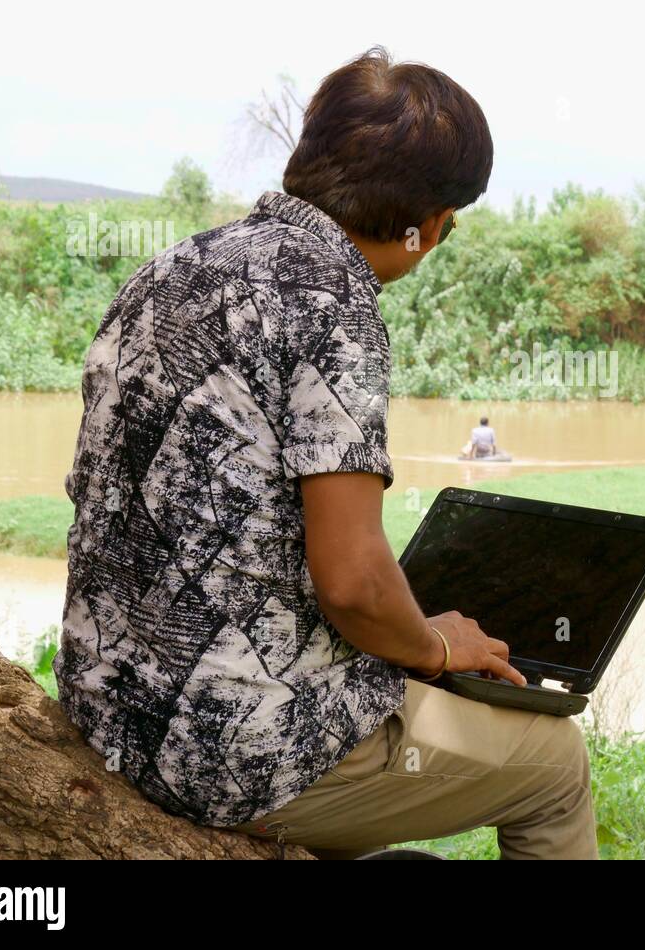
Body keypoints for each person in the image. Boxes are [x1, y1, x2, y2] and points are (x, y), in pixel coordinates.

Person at [54, 47, 597, 860]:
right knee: (554, 764)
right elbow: (350, 580)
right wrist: (437, 646)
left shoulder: (169, 268)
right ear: (435, 224)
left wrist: (405, 637)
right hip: (227, 751)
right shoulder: (332, 299)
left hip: (107, 710)